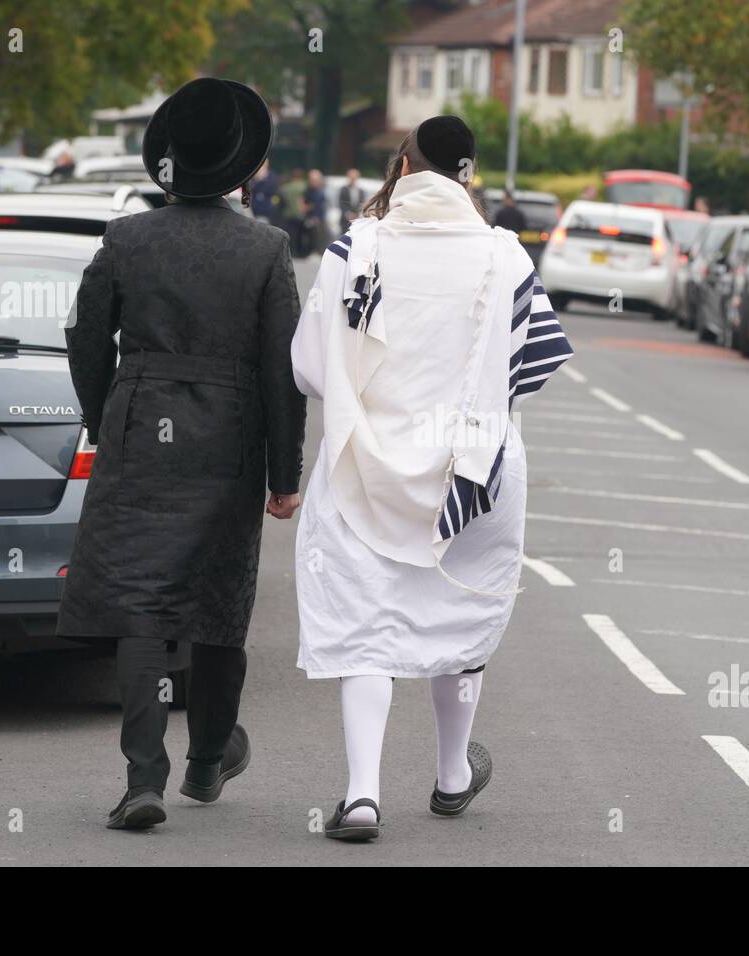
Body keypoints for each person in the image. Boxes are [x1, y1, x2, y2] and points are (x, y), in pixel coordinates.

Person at [290, 115, 573, 842]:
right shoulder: (505, 255)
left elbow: (309, 367)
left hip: (364, 470)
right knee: (460, 611)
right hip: (473, 471)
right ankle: (451, 775)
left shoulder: (356, 248)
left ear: (404, 163)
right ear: (468, 173)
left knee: (366, 624)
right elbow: (530, 369)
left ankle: (361, 796)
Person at [57, 77, 307, 831]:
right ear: (241, 170)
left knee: (140, 605)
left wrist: (107, 415)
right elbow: (281, 372)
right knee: (217, 604)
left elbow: (84, 335)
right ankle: (206, 760)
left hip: (140, 430)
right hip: (227, 442)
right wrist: (283, 475)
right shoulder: (267, 249)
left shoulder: (125, 239)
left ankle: (143, 780)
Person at [280, 168, 307, 256]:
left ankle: (292, 252)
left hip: (288, 214)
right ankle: (301, 252)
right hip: (300, 214)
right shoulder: (304, 186)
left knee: (291, 234)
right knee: (301, 235)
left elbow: (282, 200)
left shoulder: (286, 188)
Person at [303, 168, 328, 255]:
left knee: (320, 236)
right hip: (310, 217)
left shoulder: (322, 191)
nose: (313, 182)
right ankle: (312, 251)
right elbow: (305, 204)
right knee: (311, 235)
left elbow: (320, 205)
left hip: (320, 217)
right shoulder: (308, 191)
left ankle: (319, 251)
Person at [249, 159, 281, 224]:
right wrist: (257, 179)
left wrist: (263, 179)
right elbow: (250, 188)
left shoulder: (271, 175)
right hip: (253, 209)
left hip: (267, 209)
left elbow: (273, 190)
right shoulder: (253, 175)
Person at [338, 167, 364, 233]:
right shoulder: (343, 189)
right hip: (345, 220)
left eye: (354, 177)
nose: (353, 179)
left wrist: (357, 214)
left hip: (357, 220)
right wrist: (347, 213)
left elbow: (362, 204)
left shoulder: (361, 191)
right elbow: (341, 203)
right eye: (351, 177)